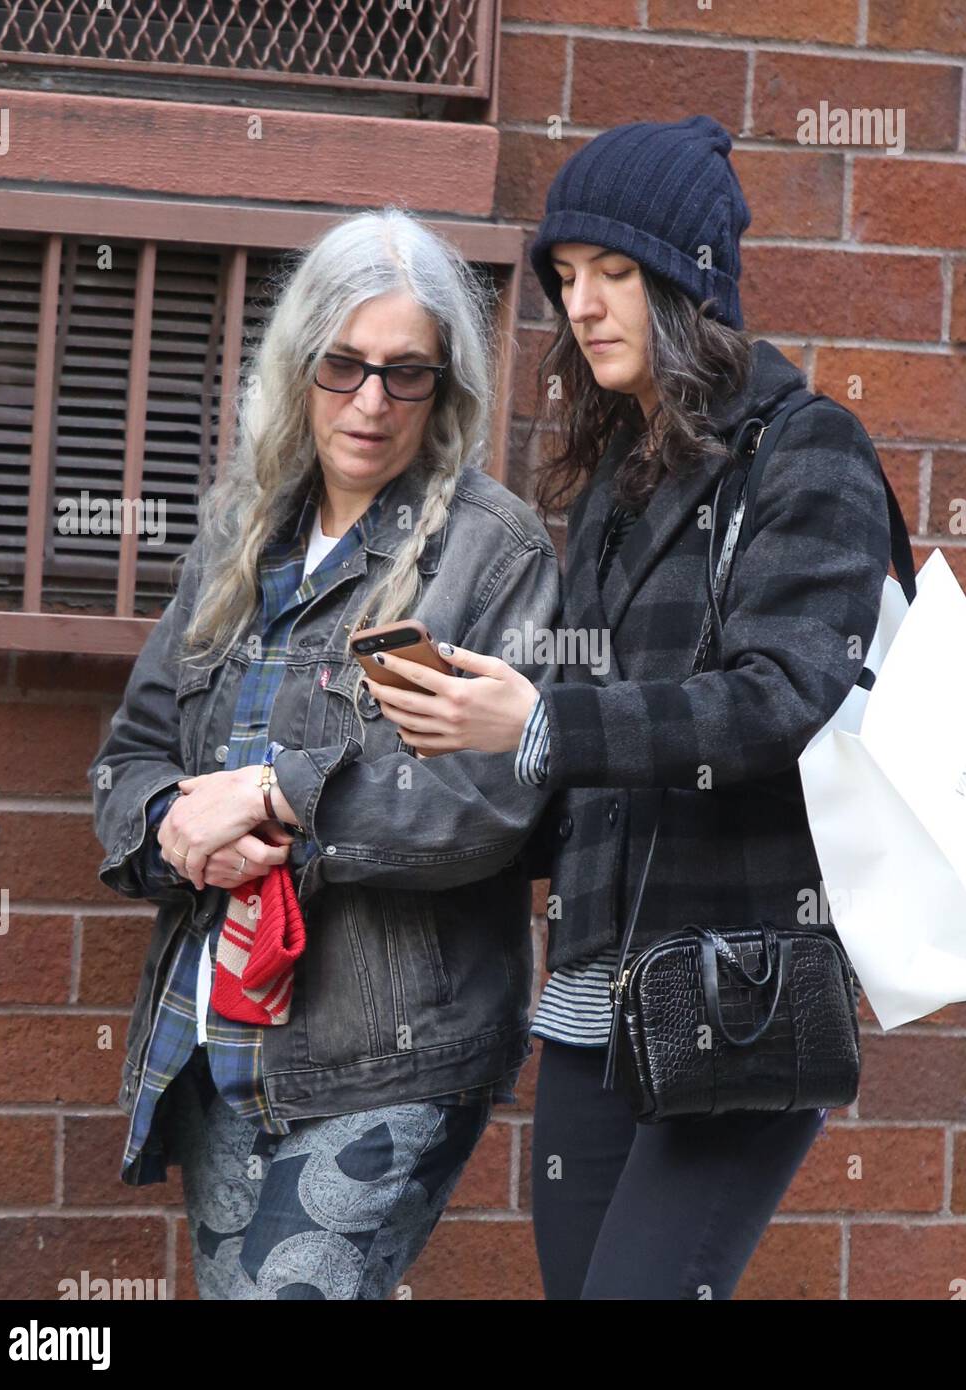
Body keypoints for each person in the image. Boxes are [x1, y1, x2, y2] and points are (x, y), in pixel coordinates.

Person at [365, 115, 893, 1299]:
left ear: (692, 284)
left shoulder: (805, 451)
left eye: (616, 272)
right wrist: (478, 707)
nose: (583, 304)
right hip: (594, 985)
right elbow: (595, 711)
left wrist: (544, 724)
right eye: (565, 277)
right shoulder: (618, 475)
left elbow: (782, 701)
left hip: (738, 978)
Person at [88, 207, 561, 1300]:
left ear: (446, 389)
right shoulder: (238, 530)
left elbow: (486, 803)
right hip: (216, 1033)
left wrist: (271, 792)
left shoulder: (490, 557)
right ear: (300, 362)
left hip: (386, 1055)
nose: (370, 402)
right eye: (344, 365)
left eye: (407, 375)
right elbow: (130, 758)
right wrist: (174, 829)